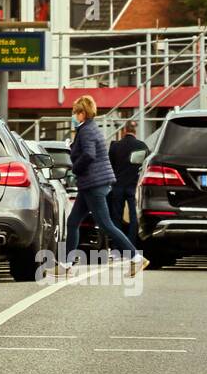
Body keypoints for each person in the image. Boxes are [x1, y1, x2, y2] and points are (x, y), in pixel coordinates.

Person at [62, 96, 147, 275]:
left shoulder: (86, 131)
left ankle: (136, 258)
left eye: (75, 112)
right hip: (90, 184)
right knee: (73, 221)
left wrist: (75, 168)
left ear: (82, 113)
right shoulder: (89, 129)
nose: (73, 116)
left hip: (94, 184)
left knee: (105, 224)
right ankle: (67, 264)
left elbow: (89, 155)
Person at [108, 120, 147, 241]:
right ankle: (132, 244)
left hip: (117, 186)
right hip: (133, 187)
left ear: (124, 130)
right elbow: (144, 168)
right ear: (135, 131)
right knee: (134, 216)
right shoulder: (142, 146)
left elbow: (110, 166)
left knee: (116, 217)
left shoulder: (115, 146)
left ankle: (117, 244)